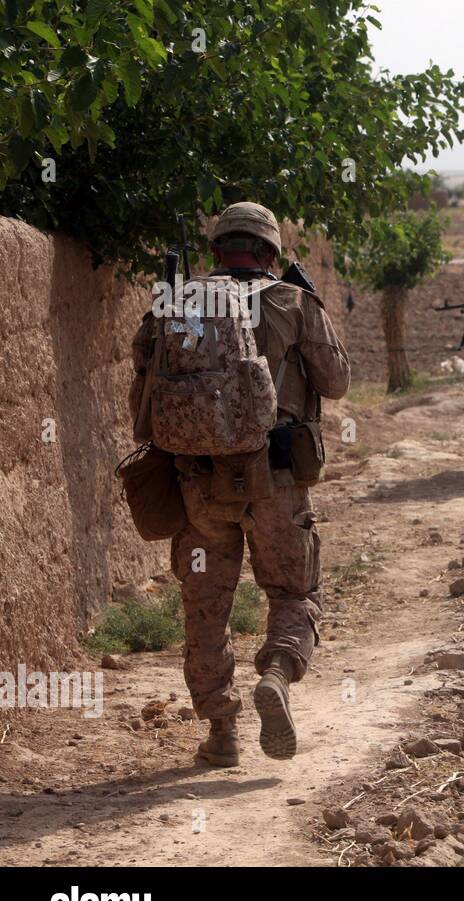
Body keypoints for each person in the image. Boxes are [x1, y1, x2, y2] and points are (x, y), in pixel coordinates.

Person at [129, 201, 350, 767]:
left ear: (215, 251)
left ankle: (222, 731)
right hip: (276, 479)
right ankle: (276, 670)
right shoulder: (293, 302)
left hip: (198, 486)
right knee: (293, 592)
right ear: (270, 252)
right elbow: (337, 380)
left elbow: (143, 404)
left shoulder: (174, 304)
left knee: (206, 606)